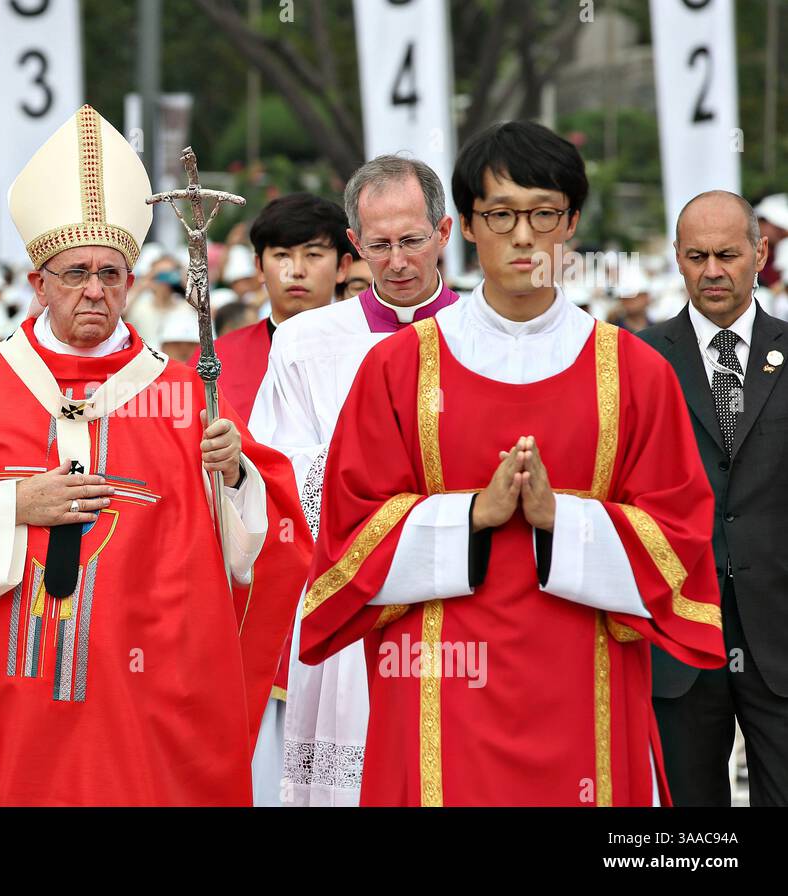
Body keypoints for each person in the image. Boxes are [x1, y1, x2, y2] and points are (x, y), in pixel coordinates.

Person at [0, 105, 309, 806]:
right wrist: (11, 504)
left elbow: (264, 548)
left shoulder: (185, 395)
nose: (96, 291)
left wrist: (234, 474)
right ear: (38, 282)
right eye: (75, 273)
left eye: (112, 272)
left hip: (142, 706)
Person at [300, 121, 726, 806]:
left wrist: (562, 520)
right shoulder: (400, 368)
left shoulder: (635, 373)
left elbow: (681, 539)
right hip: (437, 688)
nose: (523, 237)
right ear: (465, 225)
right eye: (500, 214)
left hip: (584, 685)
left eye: (543, 214)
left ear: (572, 223)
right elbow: (347, 535)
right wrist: (474, 513)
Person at [249, 156, 460, 807]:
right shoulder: (305, 342)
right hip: (352, 596)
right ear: (355, 245)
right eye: (379, 245)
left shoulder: (486, 333)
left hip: (465, 594)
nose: (397, 261)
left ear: (445, 233)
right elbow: (277, 471)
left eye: (412, 241)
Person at [639, 190, 788, 806]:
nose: (713, 271)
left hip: (779, 633)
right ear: (676, 257)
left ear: (759, 251)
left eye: (727, 254)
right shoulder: (637, 359)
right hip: (678, 637)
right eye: (696, 256)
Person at [189, 193, 353, 423]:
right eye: (282, 255)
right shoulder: (214, 362)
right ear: (259, 267)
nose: (296, 270)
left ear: (342, 267)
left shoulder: (367, 352)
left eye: (313, 254)